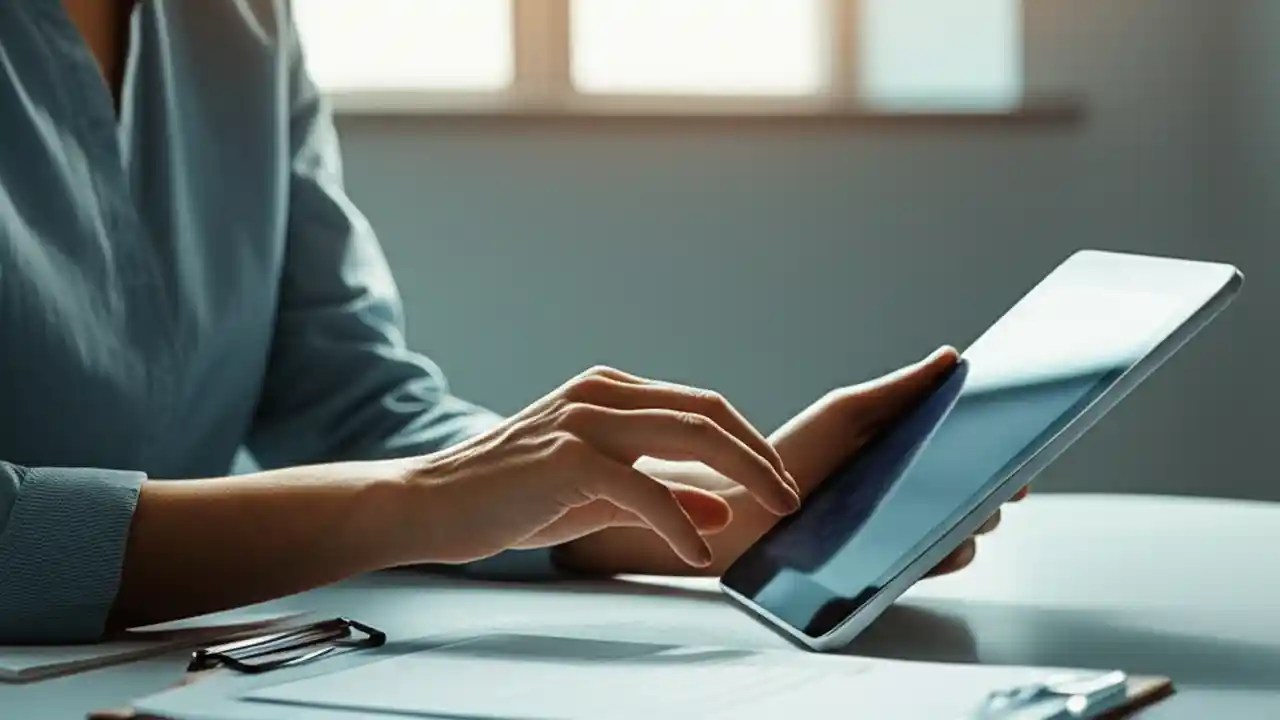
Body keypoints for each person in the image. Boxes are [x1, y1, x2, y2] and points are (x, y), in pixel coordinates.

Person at [0, 0, 1019, 645]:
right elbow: (396, 482)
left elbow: (350, 406)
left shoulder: (242, 22)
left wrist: (691, 516)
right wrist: (411, 502)